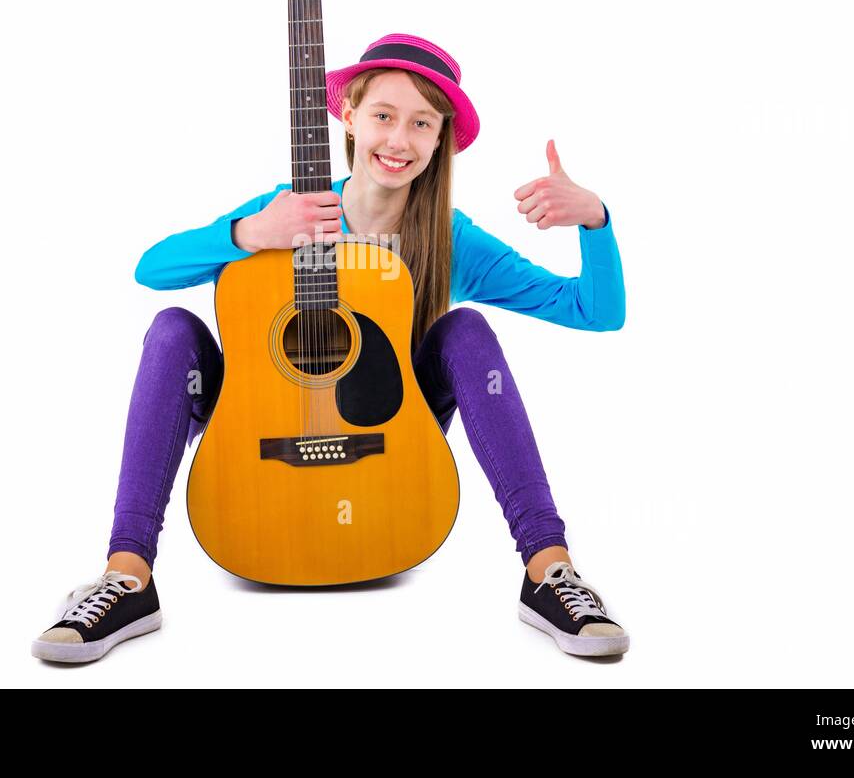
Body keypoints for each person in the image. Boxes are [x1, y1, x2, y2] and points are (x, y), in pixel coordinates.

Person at [31, 33, 629, 664]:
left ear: (440, 140)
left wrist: (595, 220)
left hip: (386, 436)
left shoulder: (450, 238)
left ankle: (548, 569)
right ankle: (128, 575)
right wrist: (252, 231)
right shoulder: (286, 213)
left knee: (467, 330)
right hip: (261, 425)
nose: (399, 140)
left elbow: (595, 311)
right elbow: (150, 270)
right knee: (171, 329)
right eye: (383, 115)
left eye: (421, 123)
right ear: (348, 116)